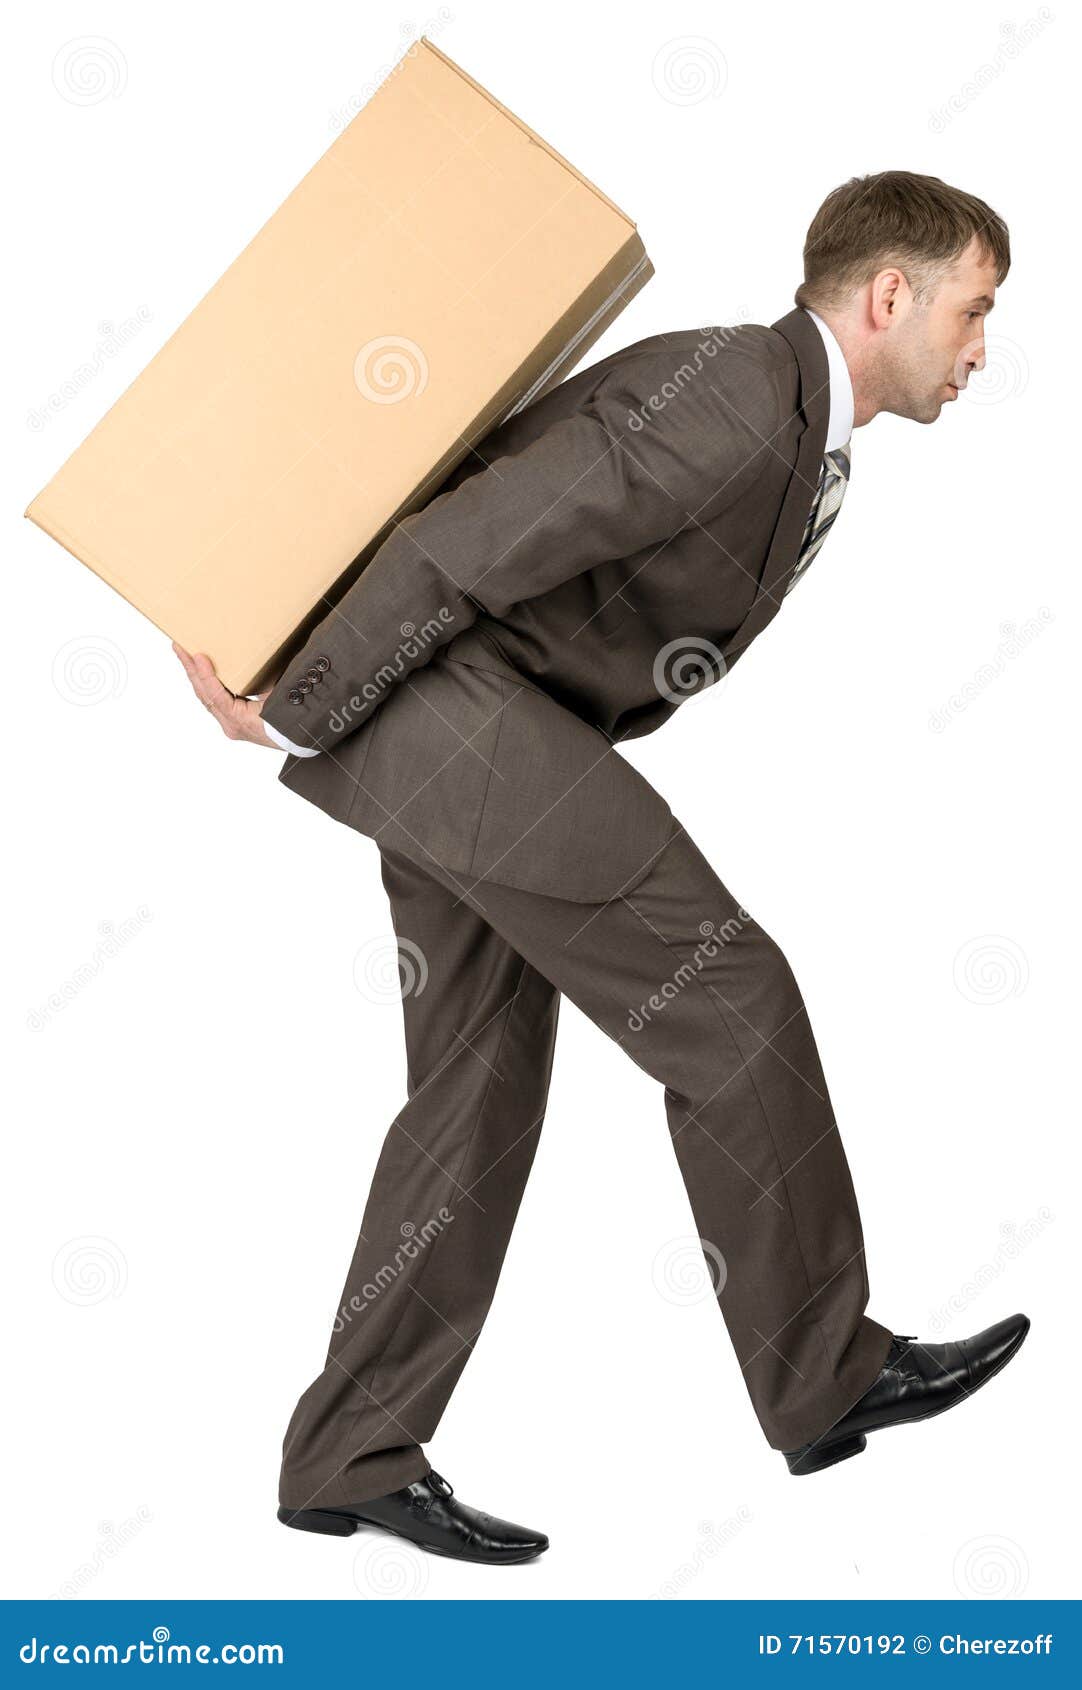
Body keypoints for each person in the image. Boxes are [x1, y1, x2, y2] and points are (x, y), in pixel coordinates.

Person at [175, 171, 1029, 1566]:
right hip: (451, 723)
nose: (982, 348)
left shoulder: (786, 420)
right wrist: (308, 694)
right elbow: (479, 534)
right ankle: (823, 1371)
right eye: (974, 310)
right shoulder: (741, 391)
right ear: (891, 295)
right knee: (730, 998)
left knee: (477, 1087)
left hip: (468, 730)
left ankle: (348, 1449)